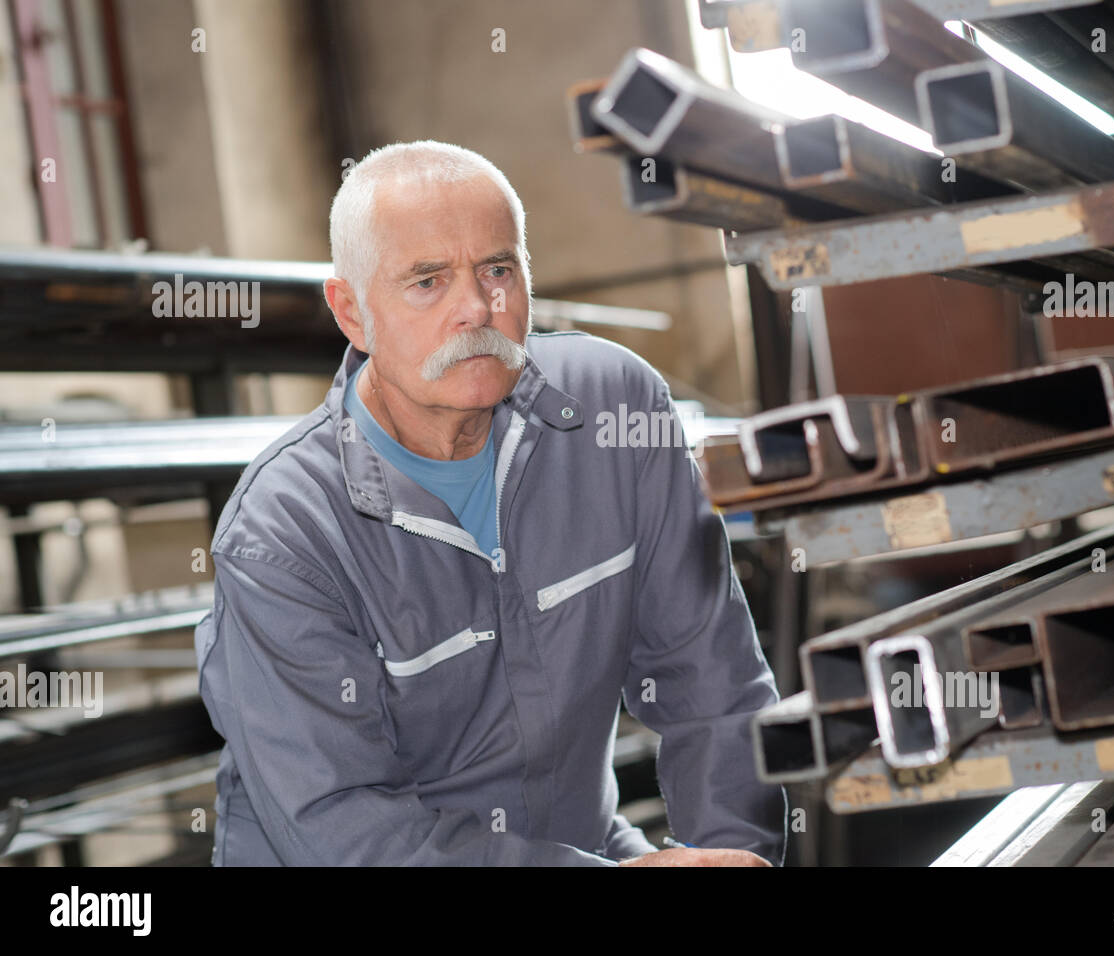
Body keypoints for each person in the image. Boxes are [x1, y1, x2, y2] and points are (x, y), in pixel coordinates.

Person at [194, 140, 786, 866]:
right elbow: (347, 836)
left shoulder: (616, 412)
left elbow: (713, 680)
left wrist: (732, 852)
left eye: (497, 270)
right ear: (351, 311)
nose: (476, 308)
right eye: (427, 281)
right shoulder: (284, 535)